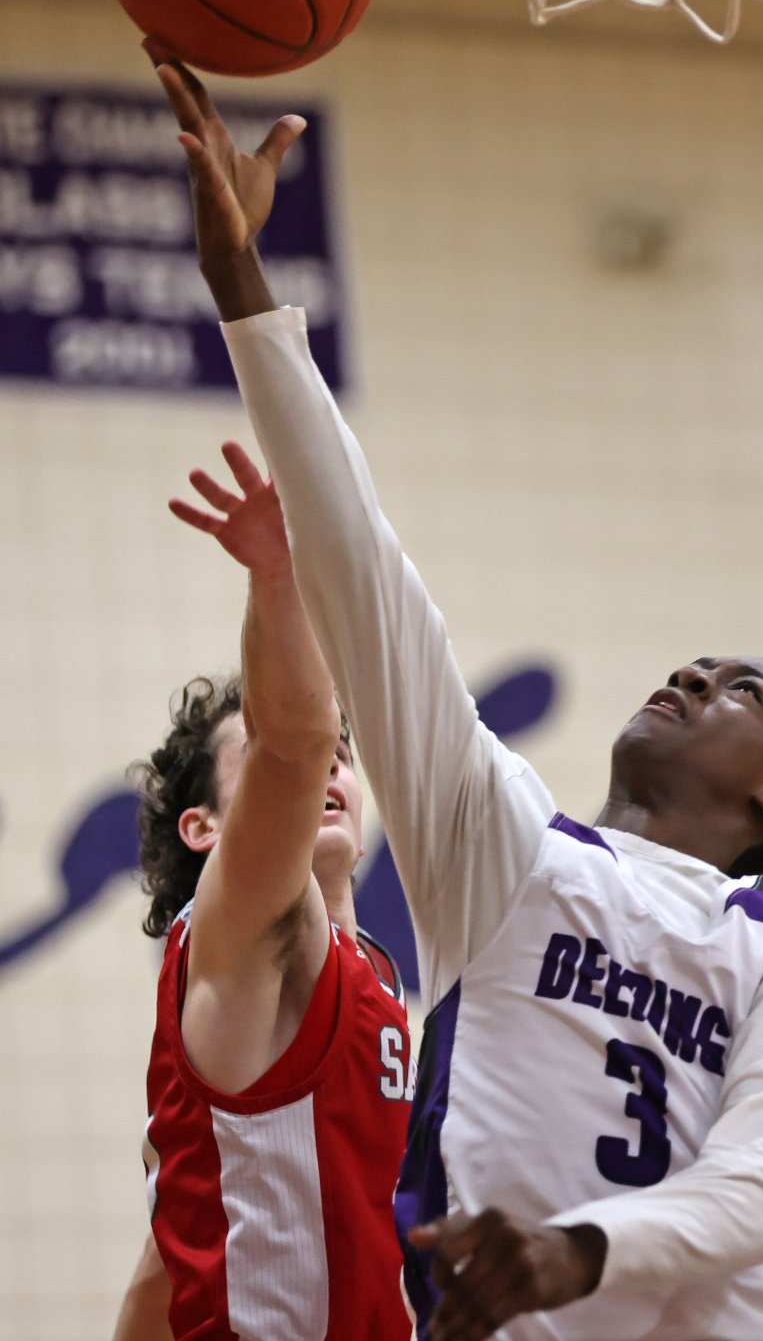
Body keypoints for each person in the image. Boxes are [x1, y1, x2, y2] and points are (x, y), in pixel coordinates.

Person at [154, 55, 763, 1341]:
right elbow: (363, 566)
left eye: (739, 687)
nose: (692, 675)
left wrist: (568, 1253)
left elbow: (757, 1193)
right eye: (694, 666)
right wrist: (241, 287)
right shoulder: (502, 844)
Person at [113, 440, 415, 1341]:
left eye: (345, 756)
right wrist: (280, 578)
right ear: (205, 830)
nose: (328, 762)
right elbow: (292, 739)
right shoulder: (240, 930)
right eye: (289, 755)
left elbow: (159, 1277)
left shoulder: (379, 977)